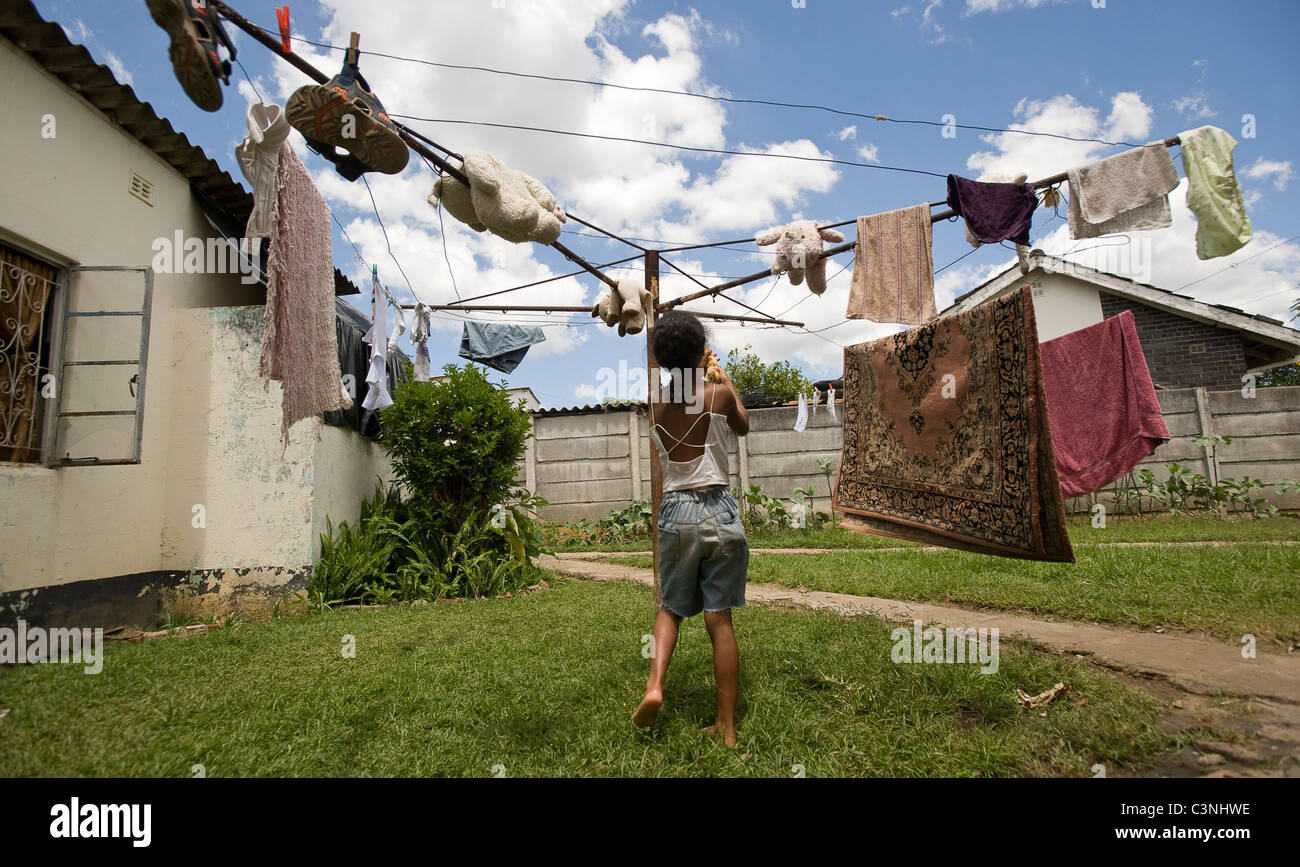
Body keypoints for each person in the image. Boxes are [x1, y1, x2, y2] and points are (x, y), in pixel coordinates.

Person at [632, 311, 750, 746]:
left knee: (669, 608)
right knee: (719, 621)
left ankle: (655, 686)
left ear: (661, 360)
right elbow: (743, 423)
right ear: (702, 350)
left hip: (677, 511)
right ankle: (727, 727)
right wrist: (725, 379)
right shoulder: (717, 394)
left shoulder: (656, 405)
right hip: (719, 509)